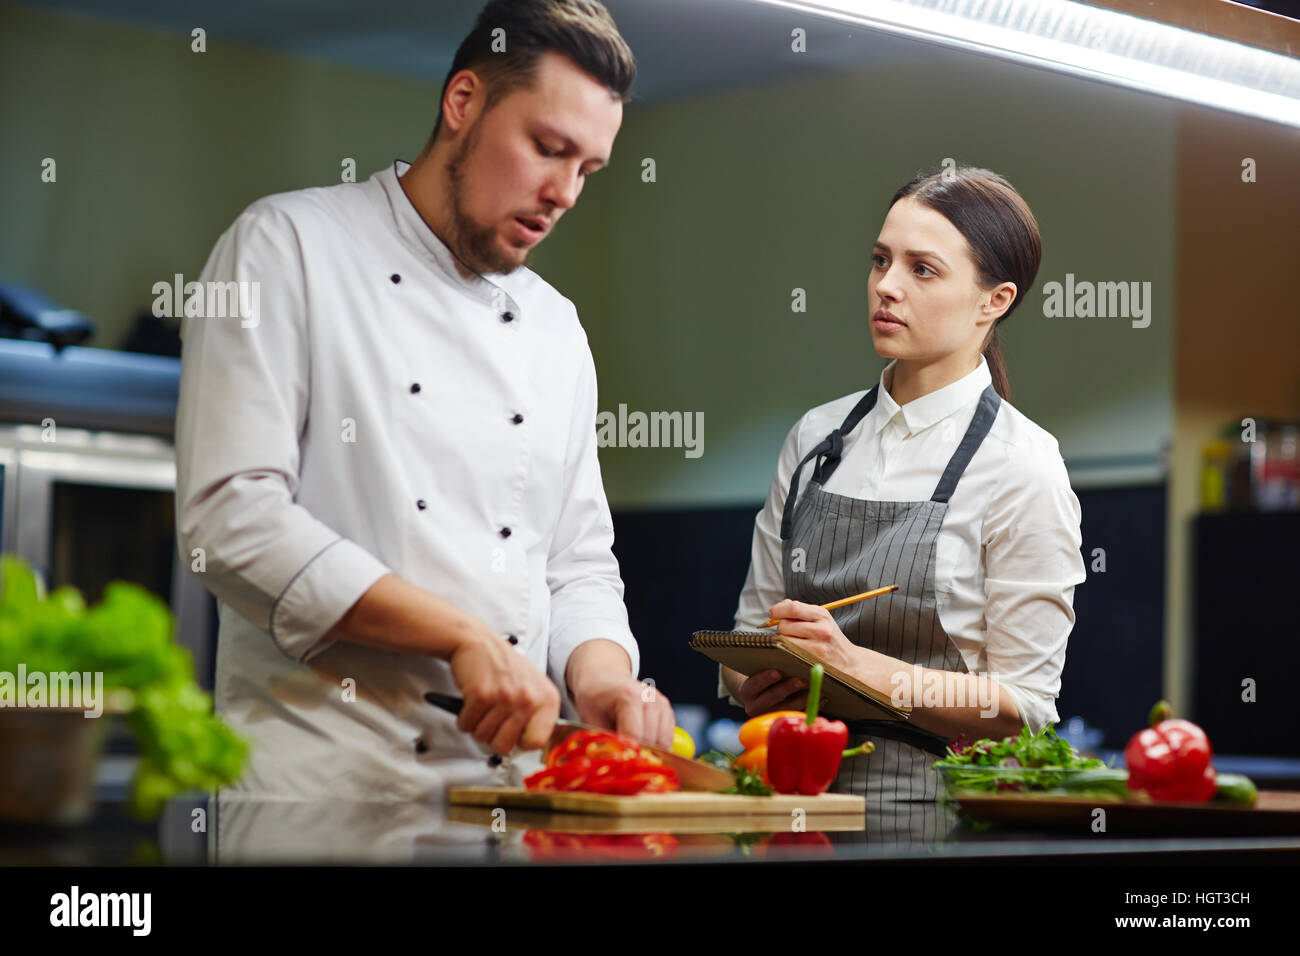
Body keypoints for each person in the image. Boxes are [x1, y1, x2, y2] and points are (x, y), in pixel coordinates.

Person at [174, 0, 674, 803]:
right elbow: (231, 517)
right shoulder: (287, 246)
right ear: (463, 102)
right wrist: (461, 636)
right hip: (324, 798)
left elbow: (575, 561)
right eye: (548, 149)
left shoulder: (555, 326)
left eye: (588, 169)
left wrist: (606, 679)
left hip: (509, 797)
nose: (565, 193)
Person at [720, 167, 1087, 802]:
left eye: (922, 269)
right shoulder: (814, 438)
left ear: (994, 301)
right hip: (793, 804)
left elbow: (1025, 706)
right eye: (880, 260)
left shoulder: (1023, 465)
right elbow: (748, 635)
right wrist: (756, 678)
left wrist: (849, 666)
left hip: (942, 818)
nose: (886, 286)